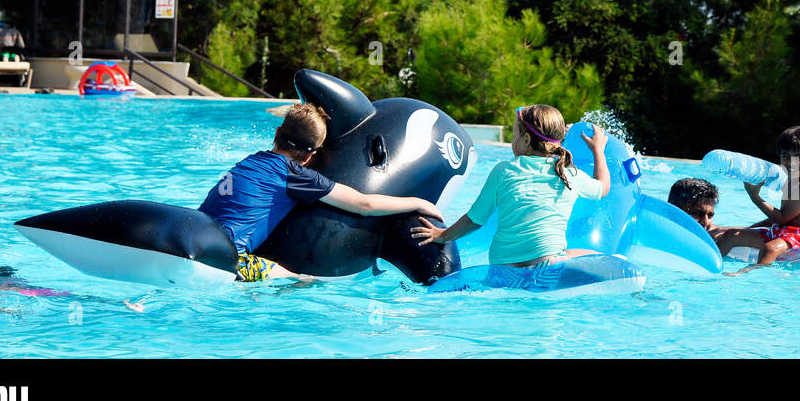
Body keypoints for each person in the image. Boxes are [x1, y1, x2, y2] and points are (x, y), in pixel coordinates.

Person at [198, 102, 444, 281]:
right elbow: (363, 205)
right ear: (310, 156)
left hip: (192, 237)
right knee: (303, 279)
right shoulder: (294, 175)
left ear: (276, 133)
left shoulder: (250, 161)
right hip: (227, 262)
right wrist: (417, 202)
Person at [410, 105, 610, 266]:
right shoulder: (568, 174)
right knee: (596, 256)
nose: (514, 141)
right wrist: (598, 150)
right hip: (544, 265)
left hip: (502, 267)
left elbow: (475, 219)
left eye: (514, 136)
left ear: (525, 139)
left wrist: (443, 235)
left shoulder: (503, 170)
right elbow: (603, 188)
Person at [729, 125, 800, 273]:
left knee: (770, 249)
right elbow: (779, 220)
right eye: (786, 156)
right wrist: (747, 229)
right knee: (731, 235)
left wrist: (755, 197)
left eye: (798, 157)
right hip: (783, 230)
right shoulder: (791, 181)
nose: (791, 162)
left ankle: (748, 274)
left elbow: (782, 218)